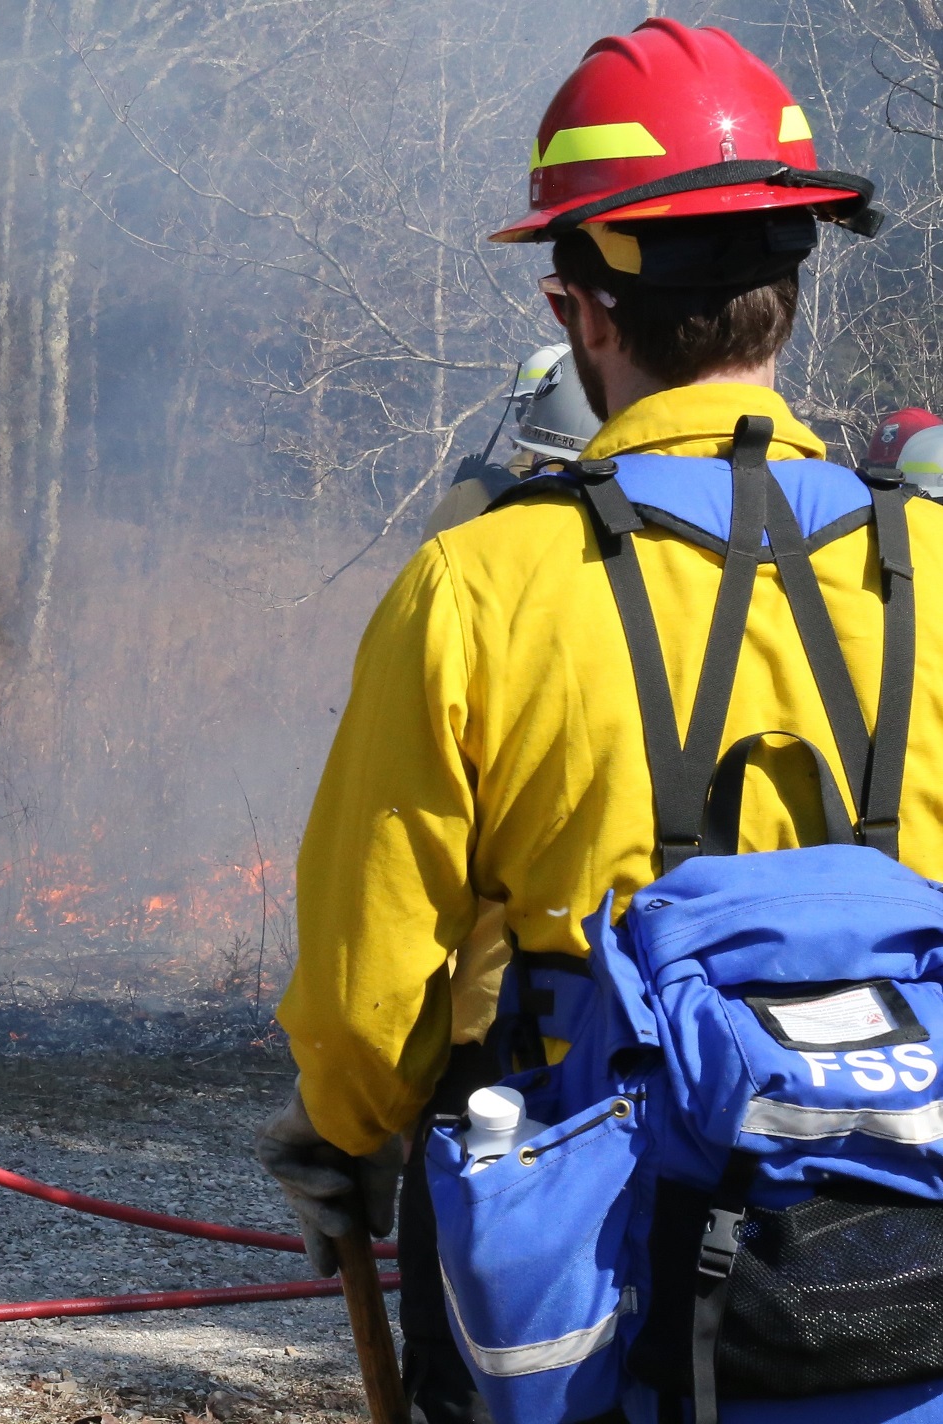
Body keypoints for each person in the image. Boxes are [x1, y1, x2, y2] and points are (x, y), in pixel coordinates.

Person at [255, 19, 913, 1422]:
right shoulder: (933, 568)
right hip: (909, 1266)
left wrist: (347, 1137)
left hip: (601, 1297)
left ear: (580, 311)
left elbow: (373, 988)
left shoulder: (484, 581)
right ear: (789, 292)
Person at [424, 343, 599, 539]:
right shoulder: (611, 493)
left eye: (527, 409)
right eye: (522, 410)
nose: (524, 419)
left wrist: (461, 500)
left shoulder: (476, 492)